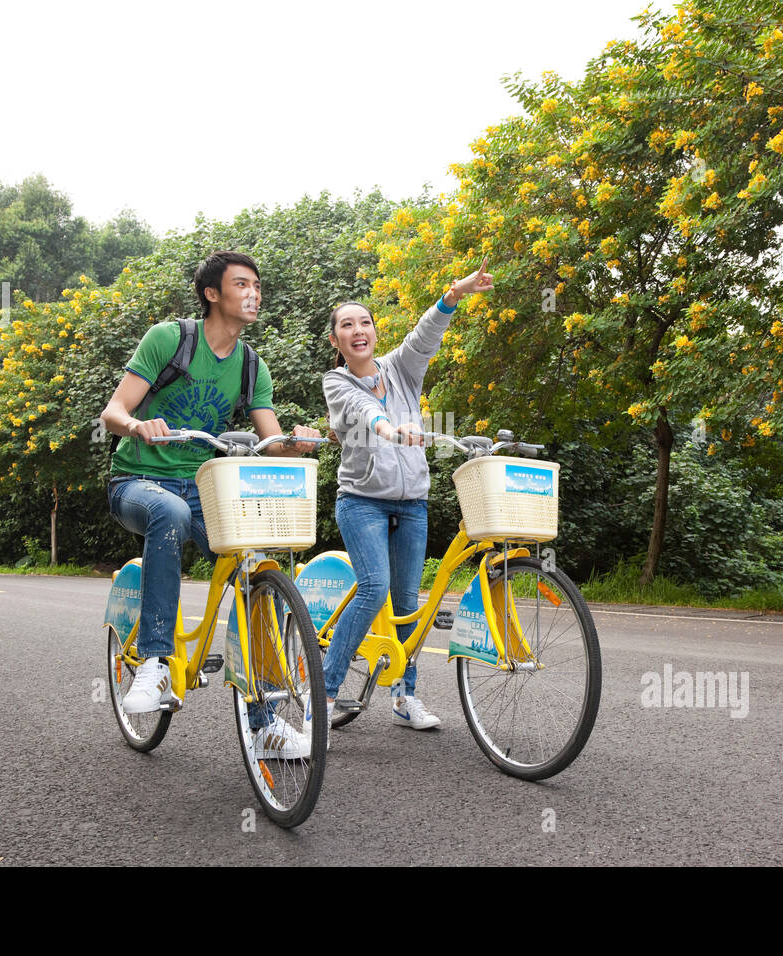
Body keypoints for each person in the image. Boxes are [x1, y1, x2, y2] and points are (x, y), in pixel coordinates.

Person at [99, 251, 319, 753]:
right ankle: (154, 664)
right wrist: (138, 425)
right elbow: (114, 410)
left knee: (253, 563)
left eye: (258, 286)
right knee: (168, 513)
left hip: (202, 486)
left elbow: (272, 442)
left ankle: (264, 720)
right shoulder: (170, 340)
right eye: (242, 284)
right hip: (137, 480)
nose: (254, 293)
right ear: (212, 293)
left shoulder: (251, 366)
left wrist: (298, 442)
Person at [320, 258, 494, 734]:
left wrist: (453, 295)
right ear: (336, 341)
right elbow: (362, 410)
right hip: (362, 501)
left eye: (366, 323)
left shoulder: (400, 369)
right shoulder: (337, 382)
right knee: (375, 588)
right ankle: (324, 693)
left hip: (412, 501)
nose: (359, 330)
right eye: (347, 326)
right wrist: (388, 428)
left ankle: (405, 695)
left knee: (406, 603)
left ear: (375, 332)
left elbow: (424, 337)